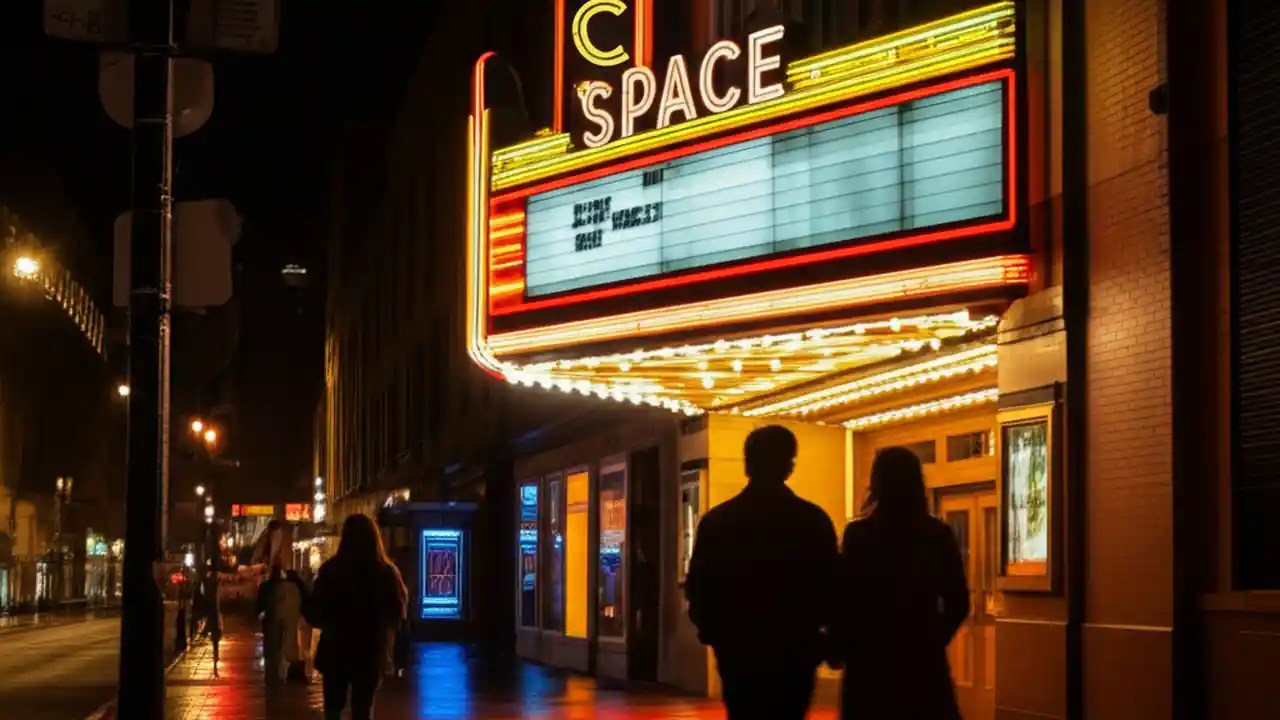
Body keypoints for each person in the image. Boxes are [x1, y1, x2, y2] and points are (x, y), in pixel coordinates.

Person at [685, 425, 839, 720]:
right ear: (788, 466)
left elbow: (700, 587)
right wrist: (824, 640)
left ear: (748, 463)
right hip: (795, 650)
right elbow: (830, 587)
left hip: (739, 651)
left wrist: (714, 634)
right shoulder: (812, 520)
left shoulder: (718, 522)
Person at [832, 446, 970, 720]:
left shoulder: (859, 536)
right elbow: (959, 602)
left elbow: (845, 599)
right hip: (922, 667)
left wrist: (841, 643)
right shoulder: (936, 534)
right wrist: (931, 639)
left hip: (869, 665)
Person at [312, 514, 408, 720]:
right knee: (363, 708)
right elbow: (397, 613)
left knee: (333, 707)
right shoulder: (386, 573)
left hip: (336, 648)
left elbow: (317, 613)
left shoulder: (331, 571)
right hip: (371, 650)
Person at [200, 564, 224, 678]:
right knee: (215, 642)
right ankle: (215, 663)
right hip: (214, 618)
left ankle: (215, 662)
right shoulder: (210, 587)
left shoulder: (208, 586)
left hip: (214, 618)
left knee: (215, 642)